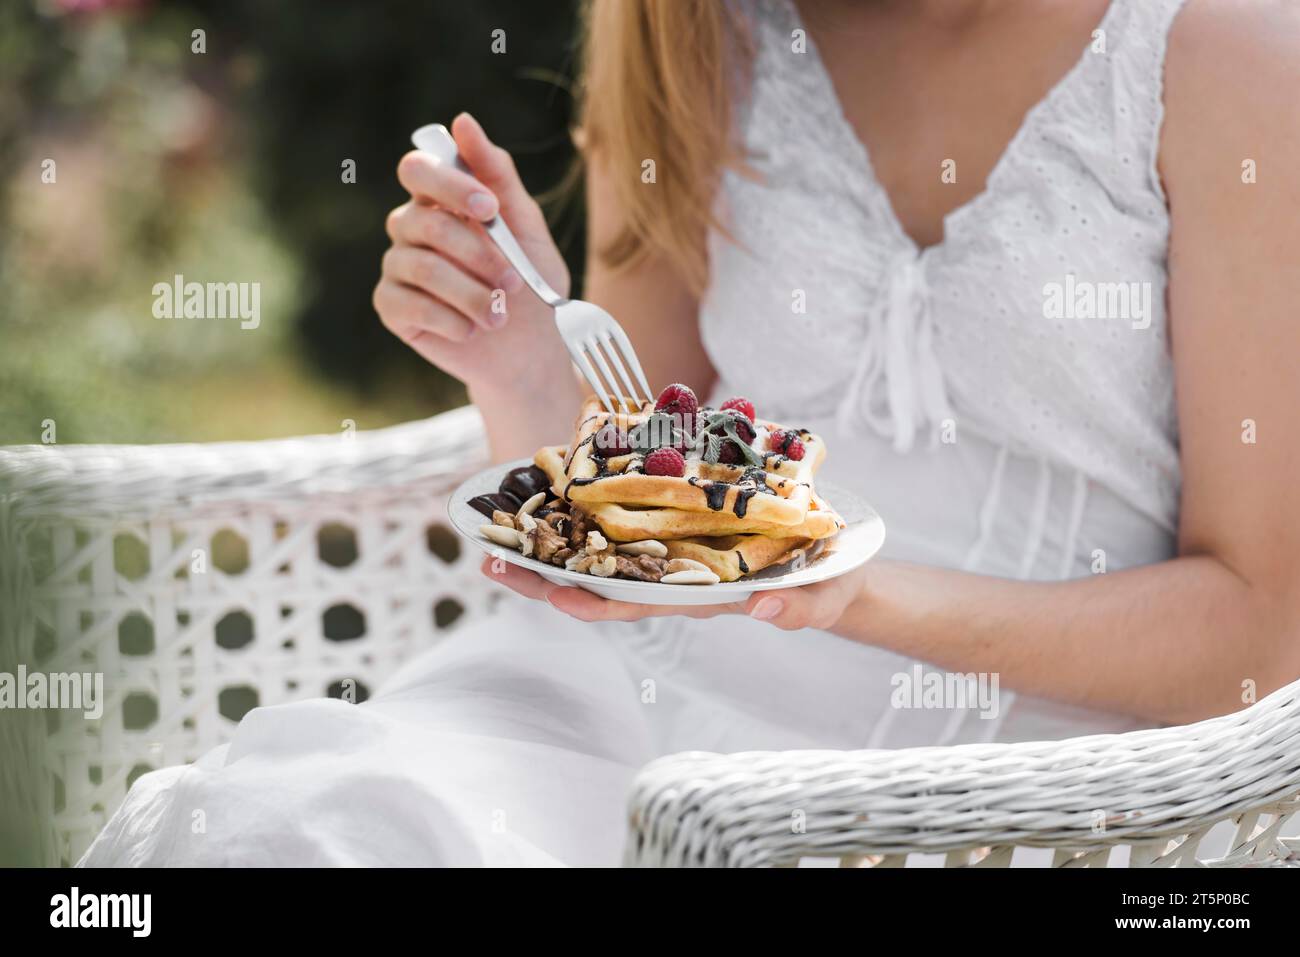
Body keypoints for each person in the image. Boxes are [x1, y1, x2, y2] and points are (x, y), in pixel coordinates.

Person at [83, 0, 1300, 867]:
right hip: (649, 694)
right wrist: (520, 368)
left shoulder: (1229, 49)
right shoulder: (690, 24)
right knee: (318, 828)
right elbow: (641, 471)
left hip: (1045, 781)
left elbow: (1260, 626)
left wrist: (839, 589)